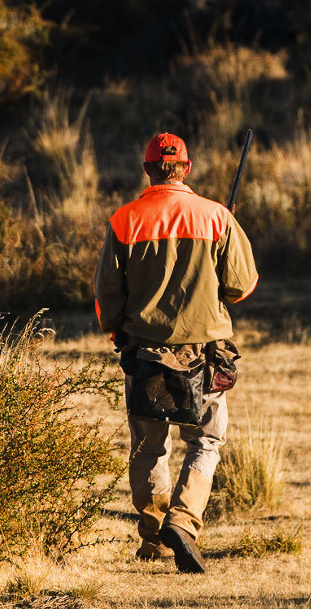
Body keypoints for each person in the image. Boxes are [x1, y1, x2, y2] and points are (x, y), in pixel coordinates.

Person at [94, 131, 259, 574]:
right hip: (205, 355)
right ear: (186, 169)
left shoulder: (124, 220)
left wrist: (118, 335)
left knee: (149, 447)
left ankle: (155, 540)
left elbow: (107, 297)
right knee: (205, 441)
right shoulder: (216, 217)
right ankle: (183, 522)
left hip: (143, 352)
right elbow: (241, 287)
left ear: (148, 169)